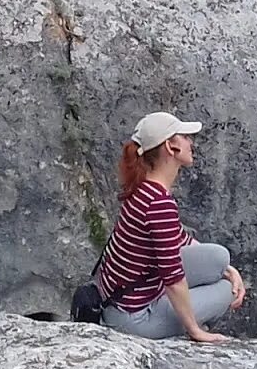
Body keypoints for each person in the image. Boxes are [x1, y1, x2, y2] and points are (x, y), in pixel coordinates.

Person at [96, 111, 245, 342]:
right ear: (170, 147)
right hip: (134, 317)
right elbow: (173, 279)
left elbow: (177, 238)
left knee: (220, 257)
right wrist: (196, 331)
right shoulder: (158, 203)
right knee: (226, 291)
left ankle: (221, 273)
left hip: (122, 298)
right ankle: (178, 319)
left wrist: (229, 270)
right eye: (185, 137)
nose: (191, 142)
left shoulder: (144, 189)